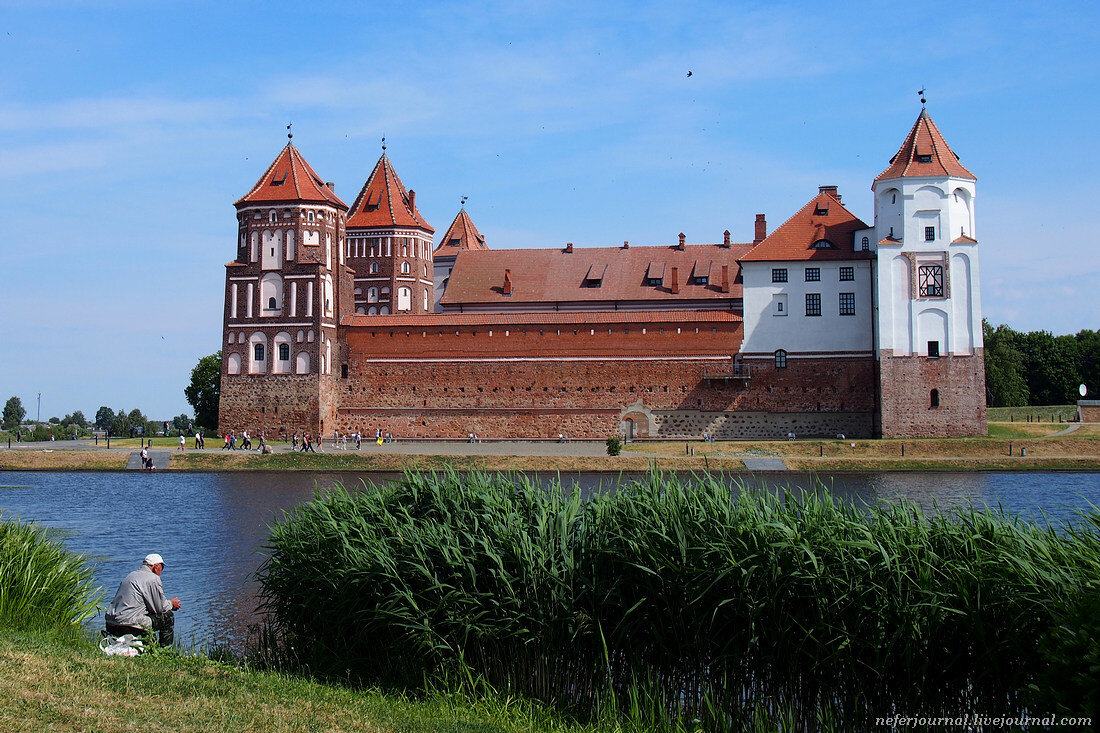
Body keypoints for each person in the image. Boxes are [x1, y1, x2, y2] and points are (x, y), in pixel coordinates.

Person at [104, 553, 181, 646]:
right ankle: (164, 652)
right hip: (128, 624)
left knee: (149, 617)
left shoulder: (131, 575)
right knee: (168, 616)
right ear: (156, 567)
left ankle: (149, 647)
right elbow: (159, 608)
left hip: (111, 624)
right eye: (162, 567)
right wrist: (171, 604)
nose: (162, 570)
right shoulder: (153, 578)